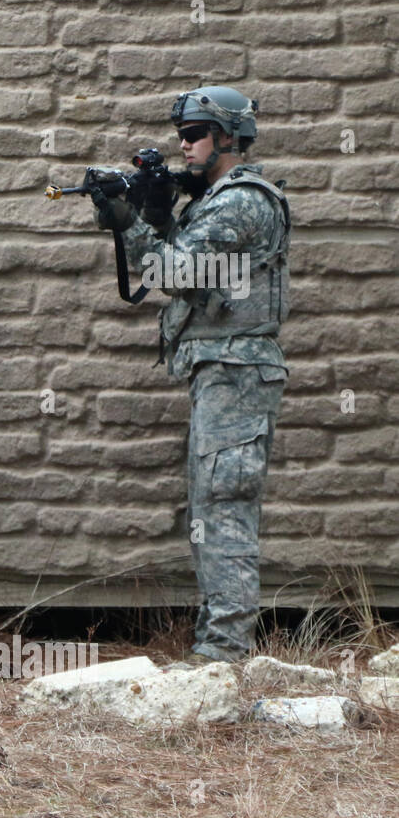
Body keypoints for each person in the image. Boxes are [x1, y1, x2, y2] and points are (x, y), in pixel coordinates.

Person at [93, 86, 290, 664]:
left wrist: (130, 223)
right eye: (181, 135)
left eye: (195, 135)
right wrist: (151, 208)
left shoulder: (240, 201)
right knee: (209, 506)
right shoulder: (210, 199)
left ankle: (224, 653)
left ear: (228, 138)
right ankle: (217, 645)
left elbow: (176, 273)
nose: (184, 146)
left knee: (224, 506)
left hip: (236, 370)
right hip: (219, 370)